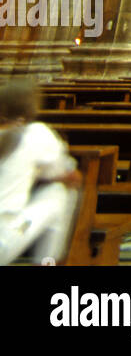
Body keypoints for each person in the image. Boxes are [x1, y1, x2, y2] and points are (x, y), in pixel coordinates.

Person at [0, 81, 81, 266]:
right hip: (6, 234)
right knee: (58, 193)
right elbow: (69, 176)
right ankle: (47, 263)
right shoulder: (36, 133)